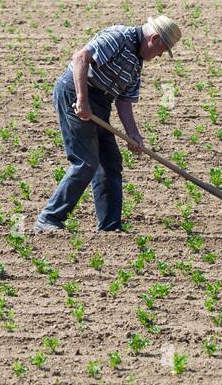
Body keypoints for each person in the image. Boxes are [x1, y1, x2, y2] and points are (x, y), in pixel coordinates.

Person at [34, 16, 181, 233]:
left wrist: (134, 135)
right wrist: (82, 100)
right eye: (162, 49)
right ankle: (49, 219)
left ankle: (110, 227)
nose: (159, 55)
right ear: (155, 38)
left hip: (102, 103)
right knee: (85, 162)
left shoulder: (136, 62)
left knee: (110, 162)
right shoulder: (119, 37)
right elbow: (81, 58)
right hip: (76, 94)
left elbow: (124, 101)